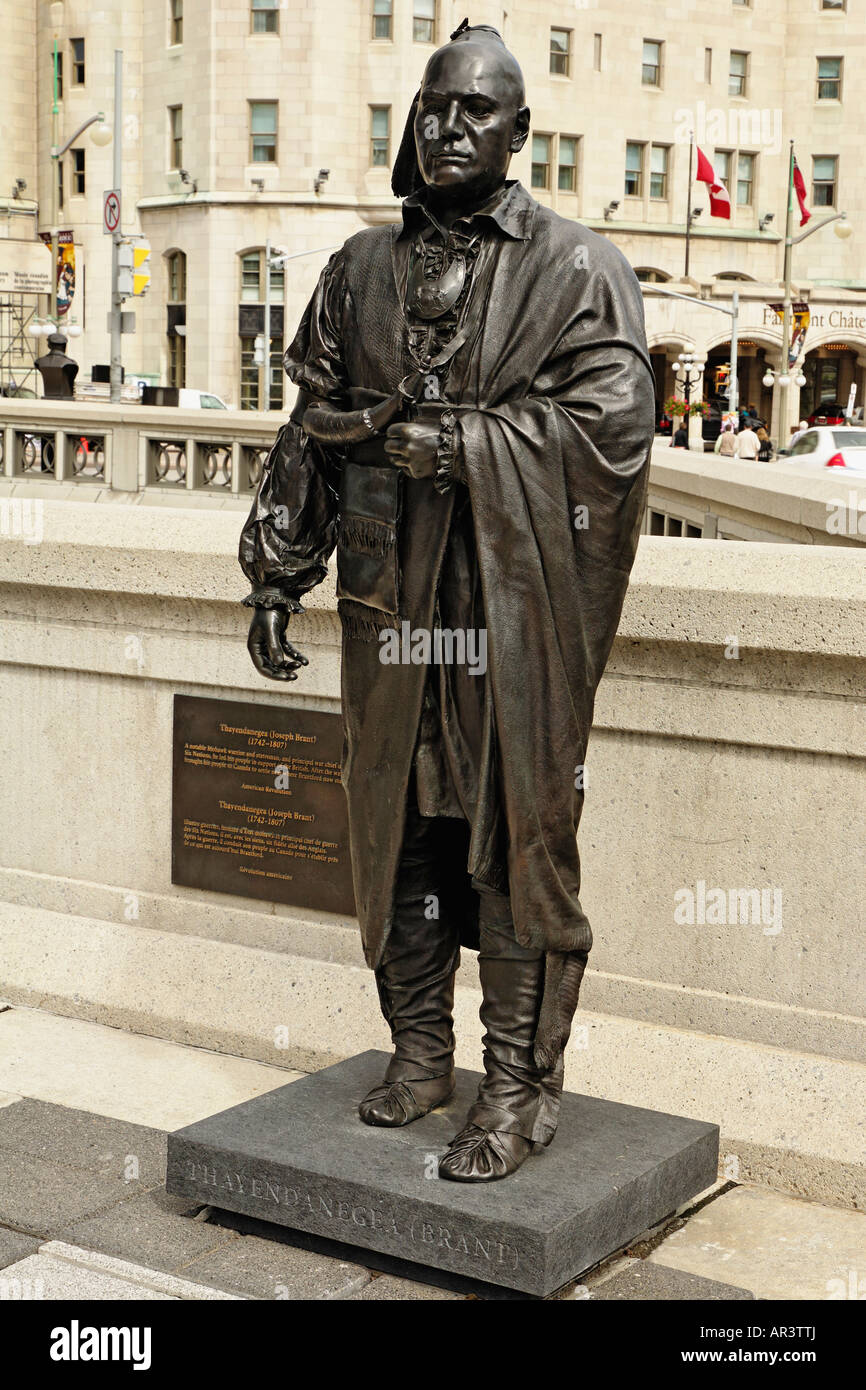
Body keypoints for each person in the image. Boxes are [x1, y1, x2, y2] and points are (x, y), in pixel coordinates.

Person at [239, 21, 654, 1183]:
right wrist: (278, 569)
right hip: (387, 610)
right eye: (431, 107)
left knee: (512, 842)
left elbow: (611, 432)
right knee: (398, 831)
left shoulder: (576, 270)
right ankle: (418, 1050)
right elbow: (310, 432)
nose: (447, 126)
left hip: (511, 619)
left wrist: (464, 444)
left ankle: (516, 1087)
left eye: (474, 111)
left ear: (520, 134)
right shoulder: (360, 269)